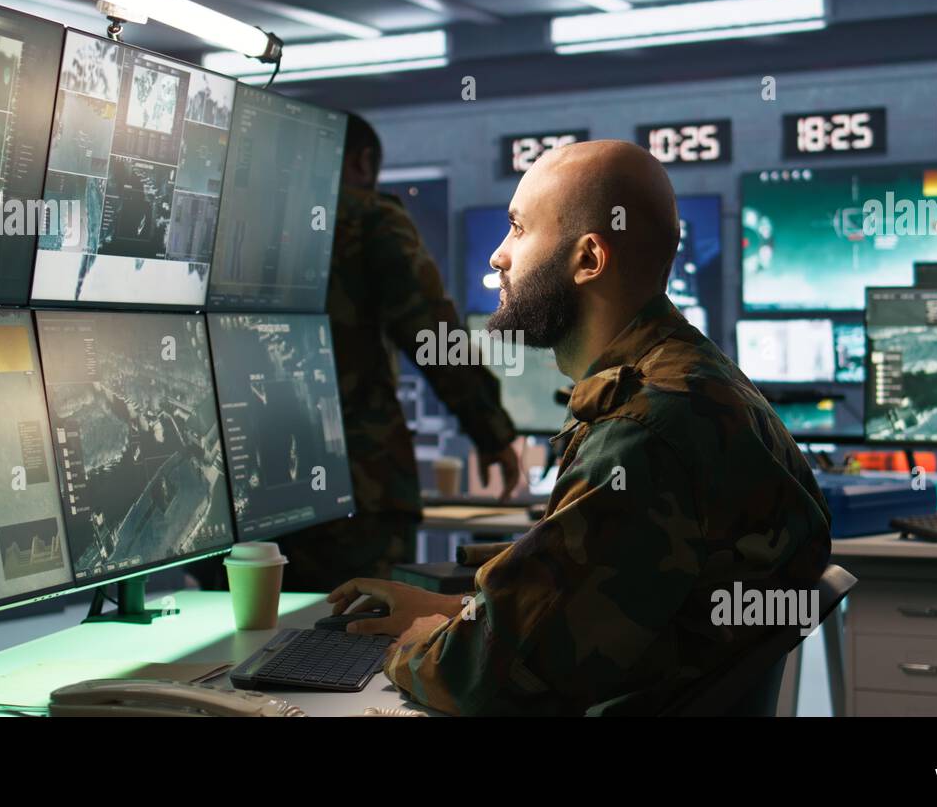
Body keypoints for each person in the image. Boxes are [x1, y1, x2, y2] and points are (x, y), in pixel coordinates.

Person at [326, 140, 832, 716]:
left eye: (517, 229)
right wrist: (450, 610)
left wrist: (409, 645)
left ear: (589, 259)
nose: (498, 256)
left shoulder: (643, 429)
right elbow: (592, 609)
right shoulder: (689, 378)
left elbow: (484, 678)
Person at [274, 113, 521, 592]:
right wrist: (490, 430)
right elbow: (431, 332)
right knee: (360, 636)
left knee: (257, 635)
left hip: (257, 481)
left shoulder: (251, 221)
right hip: (356, 482)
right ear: (363, 161)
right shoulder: (367, 219)